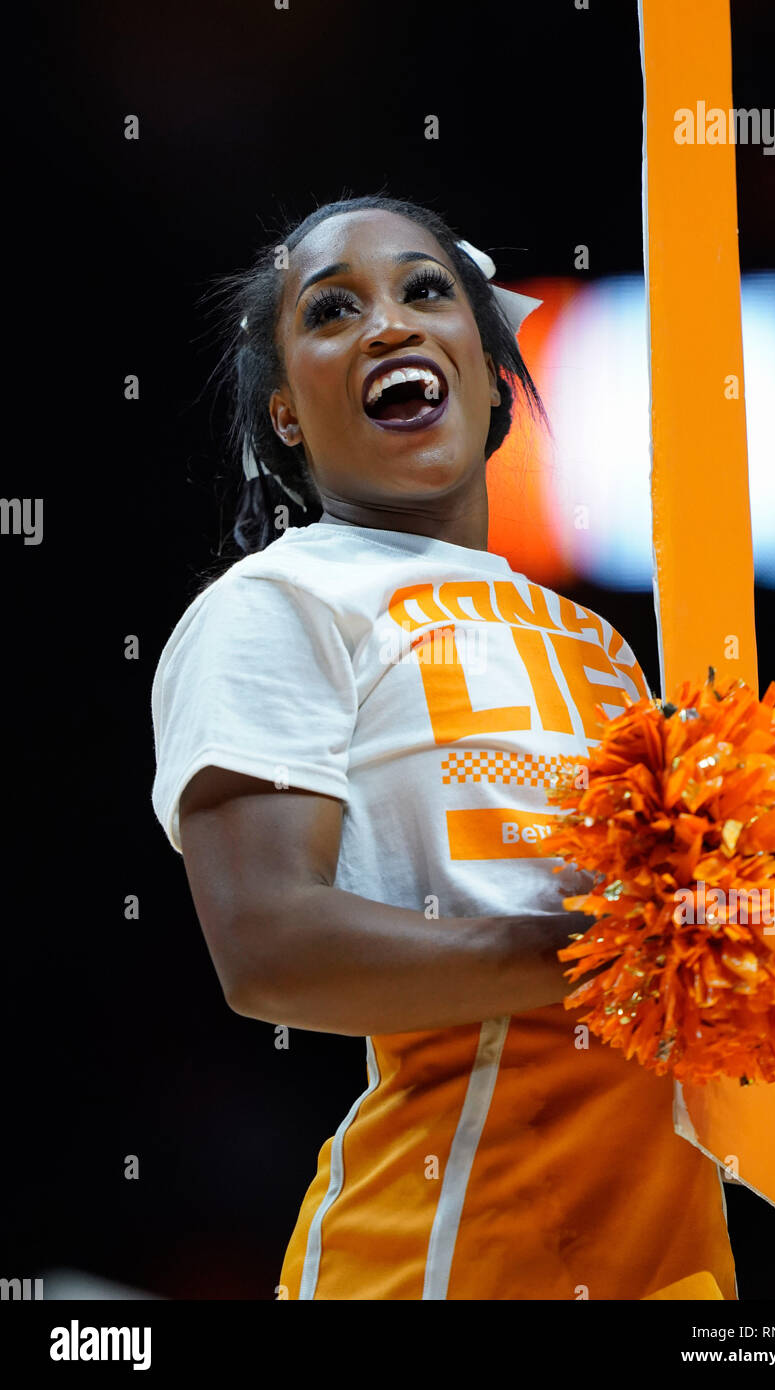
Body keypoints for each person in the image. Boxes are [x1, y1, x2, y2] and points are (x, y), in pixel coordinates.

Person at [150, 193, 738, 1300]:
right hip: (440, 1256)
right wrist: (596, 951)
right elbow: (268, 949)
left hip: (670, 1267)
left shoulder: (600, 644)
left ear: (485, 366)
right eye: (332, 310)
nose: (388, 325)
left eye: (426, 291)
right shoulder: (277, 604)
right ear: (285, 413)